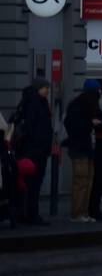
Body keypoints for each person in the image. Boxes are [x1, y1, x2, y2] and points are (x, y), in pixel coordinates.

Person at [9, 80, 52, 225]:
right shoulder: (36, 104)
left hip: (32, 151)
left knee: (28, 184)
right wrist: (40, 145)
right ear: (39, 88)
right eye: (46, 87)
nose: (48, 90)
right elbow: (33, 128)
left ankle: (25, 213)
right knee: (33, 185)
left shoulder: (32, 102)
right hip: (34, 151)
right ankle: (31, 214)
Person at [64, 79, 102, 223]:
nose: (100, 93)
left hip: (87, 148)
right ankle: (77, 213)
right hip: (80, 148)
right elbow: (74, 125)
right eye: (98, 90)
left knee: (87, 181)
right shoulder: (79, 105)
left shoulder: (87, 104)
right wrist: (91, 122)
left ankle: (84, 212)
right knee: (81, 181)